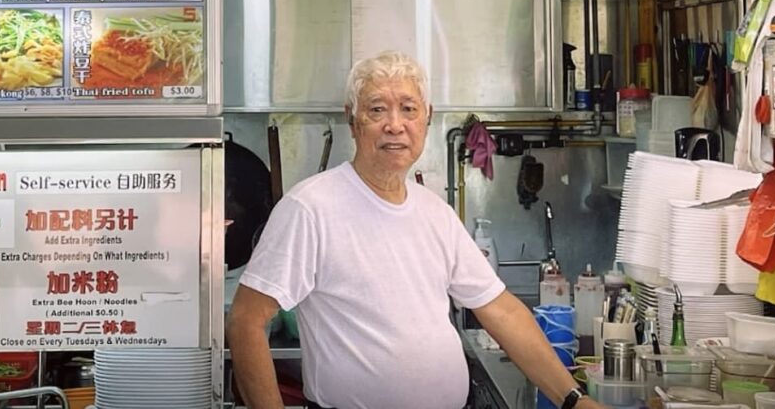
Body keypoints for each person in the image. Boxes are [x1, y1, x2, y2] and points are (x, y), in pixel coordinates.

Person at [228, 51, 606, 409]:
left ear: (426, 117)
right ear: (352, 120)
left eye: (408, 109)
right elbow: (247, 320)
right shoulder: (310, 207)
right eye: (377, 109)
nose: (395, 125)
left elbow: (501, 310)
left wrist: (572, 400)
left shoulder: (434, 212)